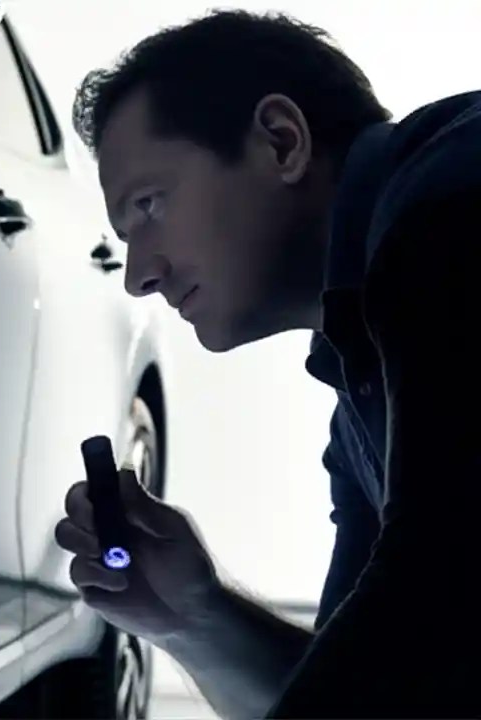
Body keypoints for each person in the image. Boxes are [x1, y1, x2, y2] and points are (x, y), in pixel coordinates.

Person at [53, 9, 481, 719]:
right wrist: (195, 618)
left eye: (150, 205)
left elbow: (435, 600)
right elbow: (380, 678)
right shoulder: (362, 419)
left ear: (281, 142)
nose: (138, 275)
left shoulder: (452, 203)